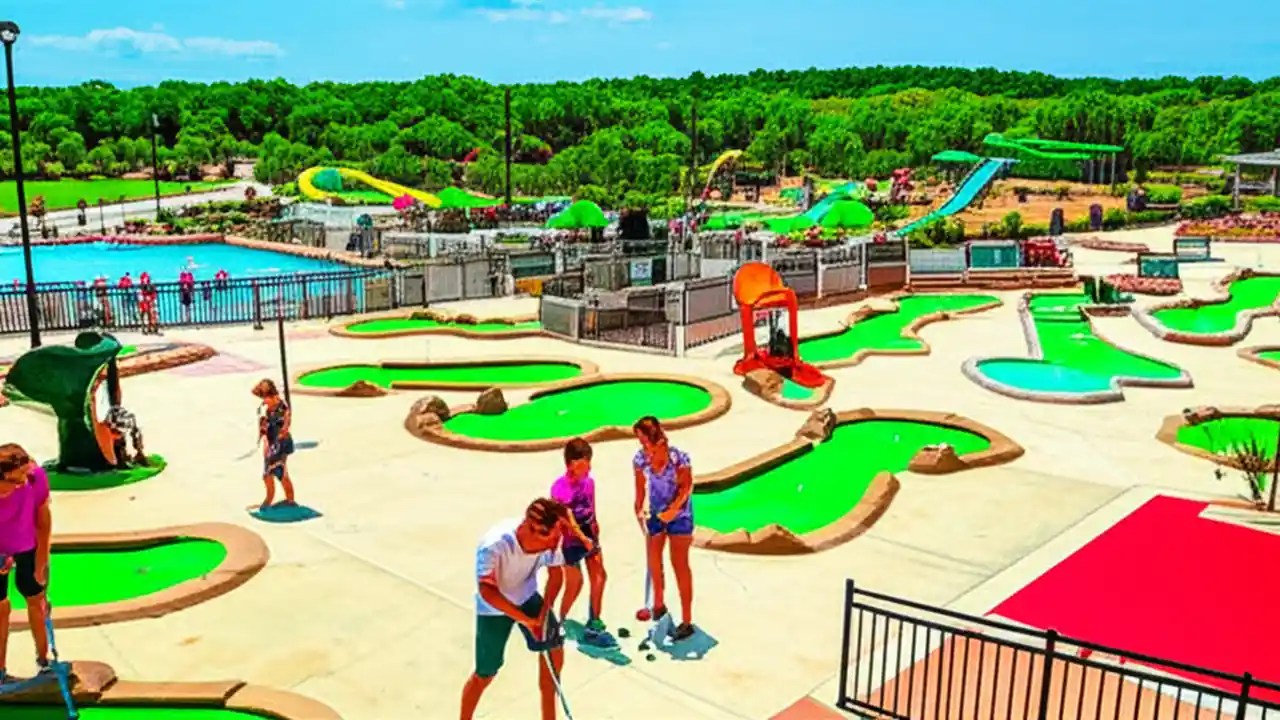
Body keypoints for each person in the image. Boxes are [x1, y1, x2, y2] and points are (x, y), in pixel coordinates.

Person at [461, 498, 569, 720]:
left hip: (527, 596)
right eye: (551, 538)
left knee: (553, 655)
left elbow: (557, 575)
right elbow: (487, 591)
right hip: (494, 608)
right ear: (532, 529)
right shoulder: (494, 546)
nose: (555, 544)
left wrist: (543, 613)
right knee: (485, 673)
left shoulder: (551, 538)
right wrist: (527, 621)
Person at [632, 416, 697, 642]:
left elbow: (686, 487)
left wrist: (673, 510)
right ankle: (659, 608)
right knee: (654, 561)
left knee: (679, 564)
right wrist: (640, 512)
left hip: (681, 515)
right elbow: (640, 494)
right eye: (640, 442)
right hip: (657, 513)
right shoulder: (640, 460)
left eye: (645, 442)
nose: (643, 448)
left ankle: (687, 621)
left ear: (659, 441)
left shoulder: (679, 458)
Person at [0, 444, 53, 685]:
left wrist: (42, 561)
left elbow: (43, 521)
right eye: (16, 479)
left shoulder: (34, 477)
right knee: (1, 608)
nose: (23, 483)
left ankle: (44, 661)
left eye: (25, 476)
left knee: (37, 600)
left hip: (28, 545)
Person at [549, 438, 608, 635]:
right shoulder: (559, 488)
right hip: (570, 540)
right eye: (585, 463)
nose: (589, 467)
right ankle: (561, 618)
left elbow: (592, 505)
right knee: (575, 583)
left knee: (599, 575)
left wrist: (595, 525)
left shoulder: (589, 482)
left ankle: (594, 619)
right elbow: (568, 519)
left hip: (589, 533)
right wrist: (584, 539)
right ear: (572, 464)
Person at [252, 379, 296, 509]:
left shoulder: (283, 408)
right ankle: (268, 499)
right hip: (271, 444)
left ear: (271, 395)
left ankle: (290, 500)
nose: (263, 402)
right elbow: (265, 430)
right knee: (267, 475)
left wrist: (277, 440)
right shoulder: (267, 409)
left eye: (265, 398)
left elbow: (285, 426)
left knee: (280, 472)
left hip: (281, 444)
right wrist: (265, 441)